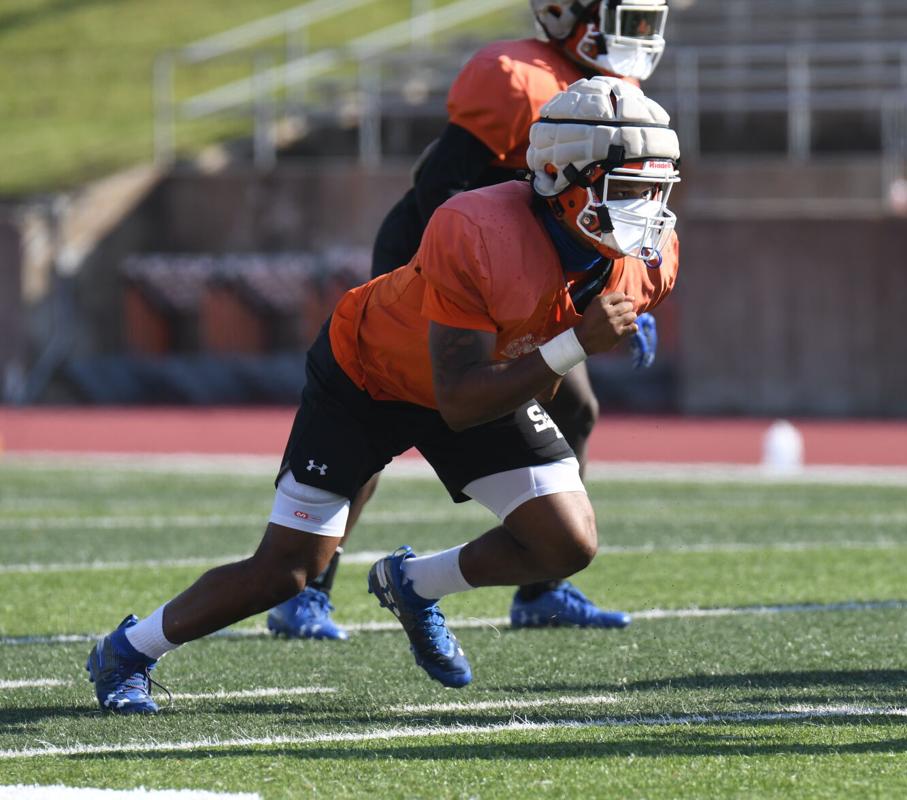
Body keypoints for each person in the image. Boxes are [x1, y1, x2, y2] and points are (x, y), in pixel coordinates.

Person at [86, 76, 682, 712]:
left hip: (490, 376)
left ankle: (414, 583)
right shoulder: (476, 228)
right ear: (564, 179)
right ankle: (128, 650)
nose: (647, 209)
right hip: (369, 375)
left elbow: (504, 372)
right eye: (628, 190)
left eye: (656, 190)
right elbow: (459, 400)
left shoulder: (650, 257)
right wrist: (573, 346)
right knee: (287, 569)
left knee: (566, 543)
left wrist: (578, 338)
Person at [265, 0, 671, 640]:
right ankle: (310, 585)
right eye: (628, 20)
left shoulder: (619, 93)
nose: (639, 38)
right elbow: (439, 182)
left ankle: (541, 587)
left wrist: (609, 277)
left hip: (540, 266)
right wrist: (479, 265)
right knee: (380, 417)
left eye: (647, 23)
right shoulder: (515, 75)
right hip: (441, 256)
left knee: (576, 408)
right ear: (567, 12)